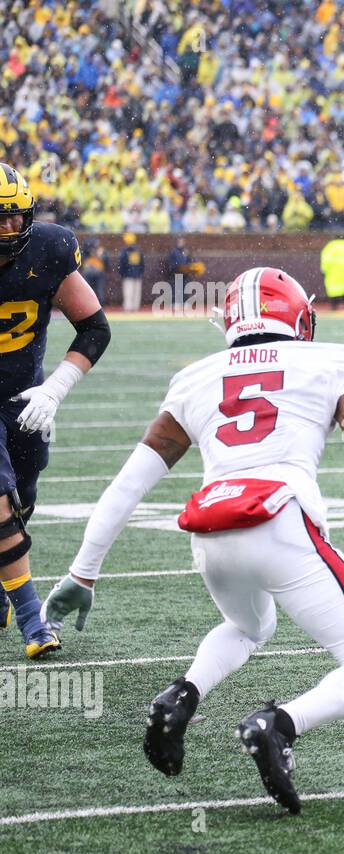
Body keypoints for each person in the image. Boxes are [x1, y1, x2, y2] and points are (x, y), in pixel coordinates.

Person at [42, 268, 344, 814]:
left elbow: (129, 484)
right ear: (299, 316)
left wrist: (82, 572)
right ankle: (279, 724)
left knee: (250, 625)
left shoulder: (196, 377)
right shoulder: (328, 359)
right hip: (280, 520)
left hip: (212, 528)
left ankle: (181, 696)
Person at [0, 162, 111, 658]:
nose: (9, 228)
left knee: (21, 498)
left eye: (15, 216)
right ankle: (31, 619)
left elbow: (95, 328)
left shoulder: (48, 248)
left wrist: (56, 388)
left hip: (26, 396)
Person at [319, 235, 344, 311]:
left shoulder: (330, 246)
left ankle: (334, 306)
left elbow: (325, 259)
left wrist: (324, 270)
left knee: (334, 290)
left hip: (334, 273)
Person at [117, 232, 144, 311]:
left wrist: (122, 273)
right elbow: (142, 264)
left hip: (127, 275)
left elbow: (122, 263)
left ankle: (128, 308)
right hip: (137, 274)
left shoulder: (124, 251)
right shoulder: (138, 250)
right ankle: (136, 307)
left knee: (128, 292)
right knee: (136, 293)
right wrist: (140, 272)